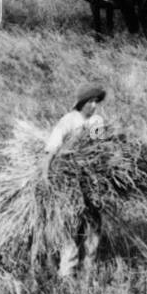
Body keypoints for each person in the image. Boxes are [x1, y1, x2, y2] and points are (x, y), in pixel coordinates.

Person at [44, 85, 107, 277]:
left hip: (92, 181)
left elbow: (99, 146)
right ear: (82, 103)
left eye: (96, 101)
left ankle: (89, 271)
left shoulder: (97, 121)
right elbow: (52, 148)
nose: (94, 105)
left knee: (93, 227)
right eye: (90, 101)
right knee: (71, 228)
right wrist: (46, 174)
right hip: (70, 182)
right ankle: (67, 275)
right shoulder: (69, 121)